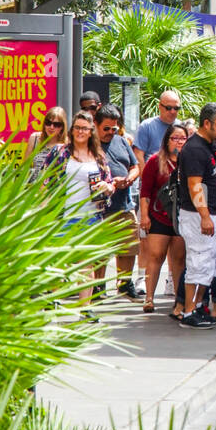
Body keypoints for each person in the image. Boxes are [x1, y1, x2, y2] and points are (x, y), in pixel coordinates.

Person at [41, 111, 115, 320]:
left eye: (84, 128)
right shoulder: (60, 152)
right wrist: (44, 207)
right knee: (58, 261)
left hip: (90, 216)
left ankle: (85, 307)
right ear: (71, 130)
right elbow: (45, 181)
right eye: (77, 128)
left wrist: (107, 187)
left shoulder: (98, 157)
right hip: (63, 215)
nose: (80, 132)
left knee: (86, 263)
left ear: (91, 131)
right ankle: (52, 301)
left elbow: (109, 183)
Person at [175, 103, 216, 329]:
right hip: (198, 215)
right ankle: (189, 311)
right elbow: (194, 185)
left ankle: (200, 304)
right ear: (207, 123)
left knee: (214, 257)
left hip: (214, 214)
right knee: (199, 261)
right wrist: (204, 215)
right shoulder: (194, 149)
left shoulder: (209, 145)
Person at [94, 104, 142, 301]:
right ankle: (97, 287)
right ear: (96, 125)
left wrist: (129, 178)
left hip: (123, 204)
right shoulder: (89, 145)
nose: (110, 132)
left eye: (114, 128)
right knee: (100, 251)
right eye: (106, 128)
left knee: (129, 246)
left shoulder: (121, 141)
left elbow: (135, 166)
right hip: (99, 208)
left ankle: (124, 283)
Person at [139, 122, 188, 314]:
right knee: (156, 255)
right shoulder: (155, 161)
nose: (178, 142)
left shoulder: (188, 161)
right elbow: (145, 191)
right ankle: (149, 298)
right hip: (158, 215)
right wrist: (144, 216)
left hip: (181, 217)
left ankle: (179, 299)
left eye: (182, 138)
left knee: (178, 258)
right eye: (174, 138)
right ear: (167, 140)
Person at [133, 90, 183, 173]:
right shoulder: (147, 126)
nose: (173, 111)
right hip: (153, 175)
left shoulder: (182, 127)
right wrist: (146, 178)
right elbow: (138, 155)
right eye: (168, 108)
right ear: (160, 106)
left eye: (176, 108)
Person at [27, 107, 67, 179]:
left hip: (55, 188)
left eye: (56, 124)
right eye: (48, 123)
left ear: (62, 127)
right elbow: (25, 167)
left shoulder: (67, 144)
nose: (51, 127)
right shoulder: (35, 138)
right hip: (34, 187)